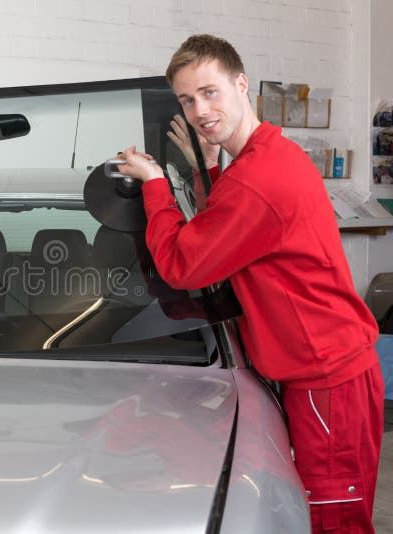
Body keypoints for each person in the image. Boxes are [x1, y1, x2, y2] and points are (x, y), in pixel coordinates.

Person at [114, 34, 384, 533]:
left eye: (210, 92)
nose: (199, 110)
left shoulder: (258, 178)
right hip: (322, 372)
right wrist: (205, 173)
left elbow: (181, 265)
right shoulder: (262, 161)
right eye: (187, 100)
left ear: (242, 84)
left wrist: (155, 184)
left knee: (333, 523)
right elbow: (233, 225)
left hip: (328, 381)